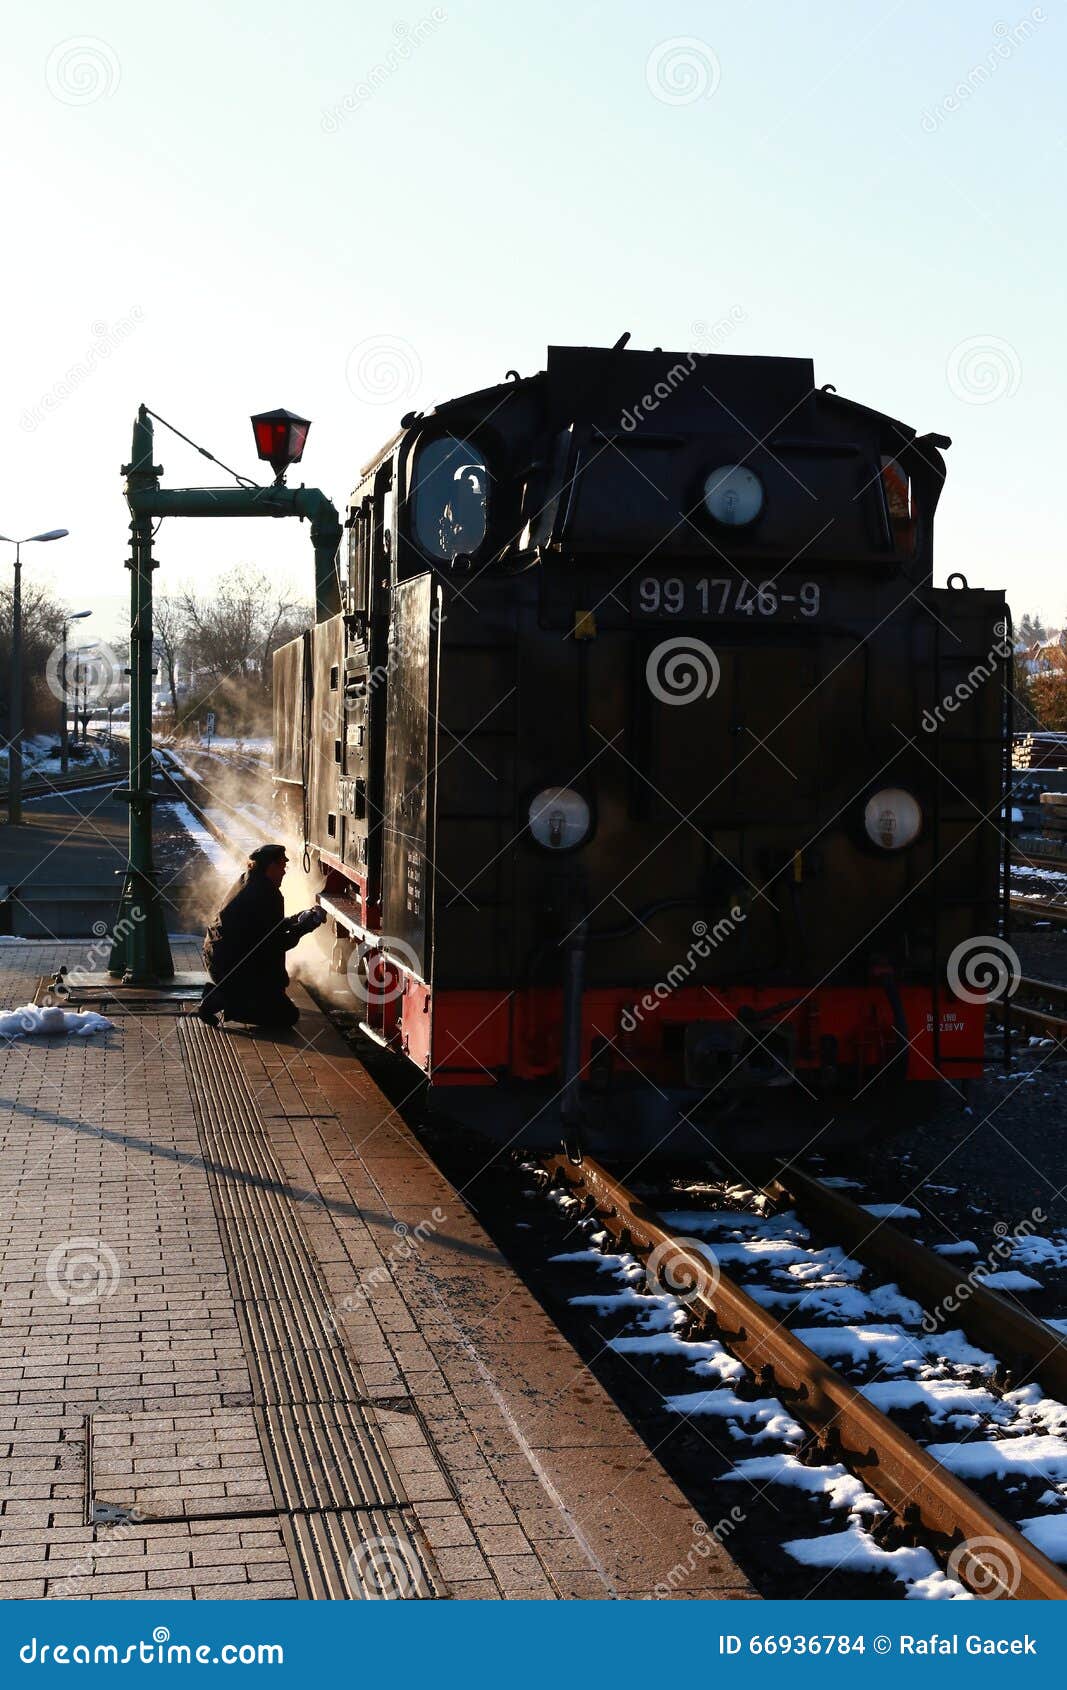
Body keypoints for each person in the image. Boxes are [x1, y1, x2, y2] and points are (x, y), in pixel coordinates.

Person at [199, 843, 325, 1029]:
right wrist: (305, 927)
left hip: (221, 960)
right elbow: (274, 944)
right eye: (282, 867)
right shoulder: (266, 894)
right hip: (233, 968)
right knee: (286, 1016)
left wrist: (294, 919)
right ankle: (222, 999)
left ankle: (229, 994)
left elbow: (264, 930)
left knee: (276, 996)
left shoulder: (249, 881)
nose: (284, 872)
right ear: (270, 867)